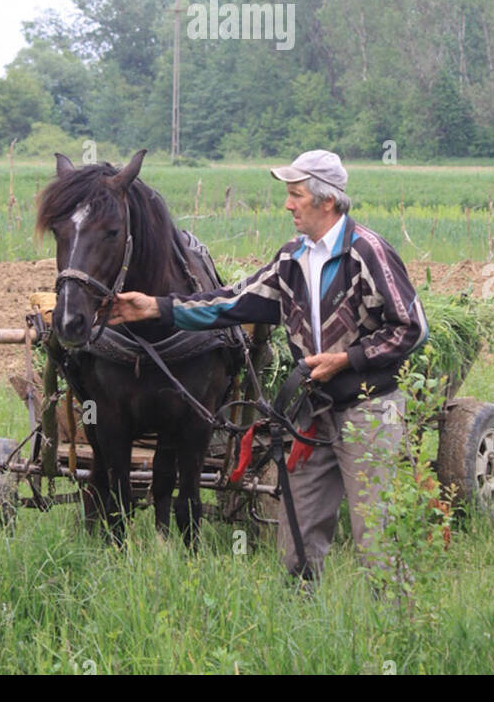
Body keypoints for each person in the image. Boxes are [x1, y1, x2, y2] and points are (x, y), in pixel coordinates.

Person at [109, 149, 428, 580]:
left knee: (378, 535)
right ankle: (304, 623)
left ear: (327, 200)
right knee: (296, 536)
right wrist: (157, 308)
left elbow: (412, 327)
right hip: (312, 412)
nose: (287, 204)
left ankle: (396, 629)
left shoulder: (367, 252)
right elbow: (230, 302)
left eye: (296, 195)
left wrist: (347, 360)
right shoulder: (292, 258)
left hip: (367, 411)